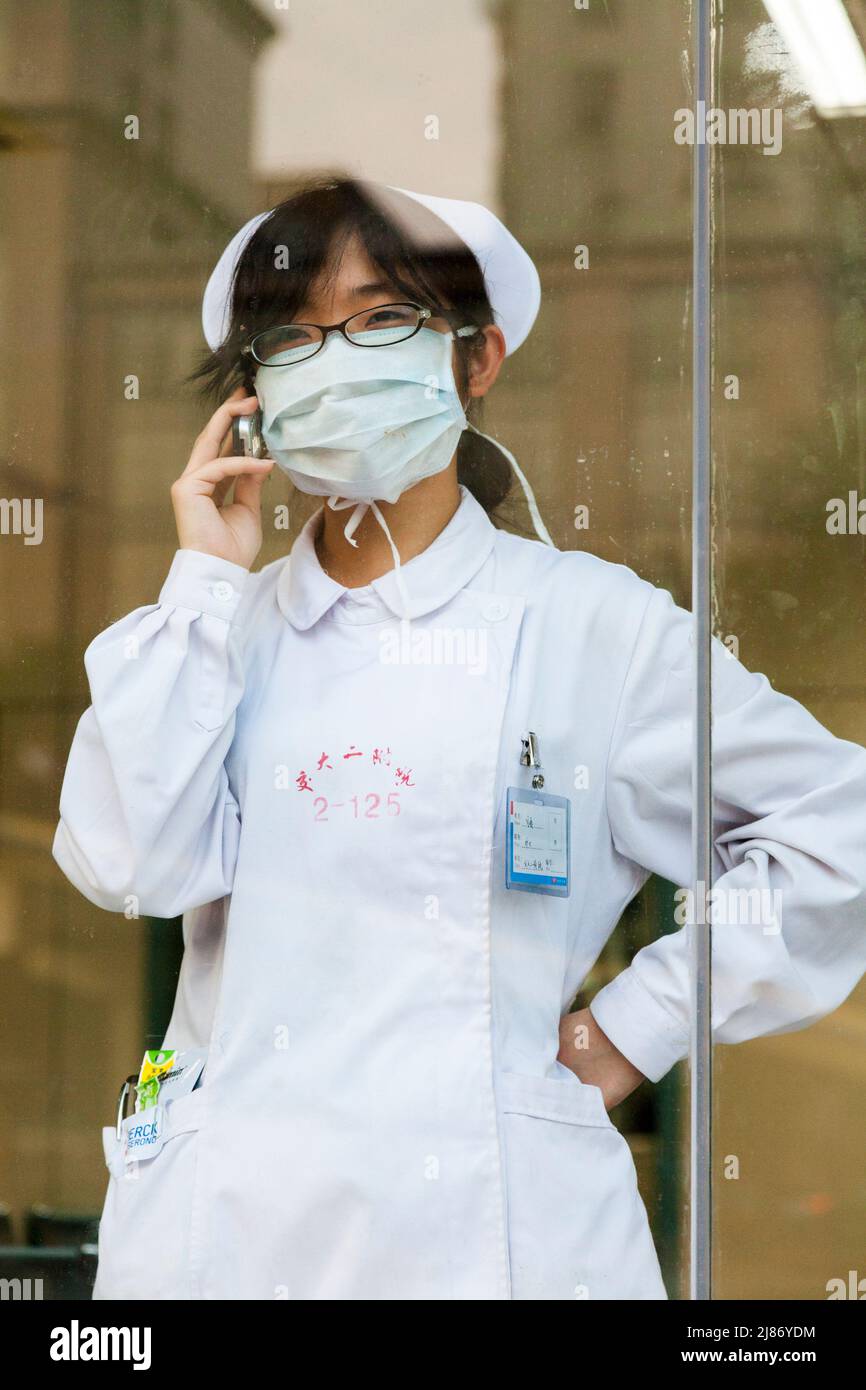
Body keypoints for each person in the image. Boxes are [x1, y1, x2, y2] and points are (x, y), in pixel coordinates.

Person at [53, 177, 866, 1301]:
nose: (332, 358)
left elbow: (838, 832)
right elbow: (129, 866)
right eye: (290, 337)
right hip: (224, 1241)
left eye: (381, 320)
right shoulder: (211, 632)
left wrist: (635, 1024)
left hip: (495, 1241)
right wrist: (198, 578)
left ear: (474, 360)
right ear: (252, 398)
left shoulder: (594, 629)